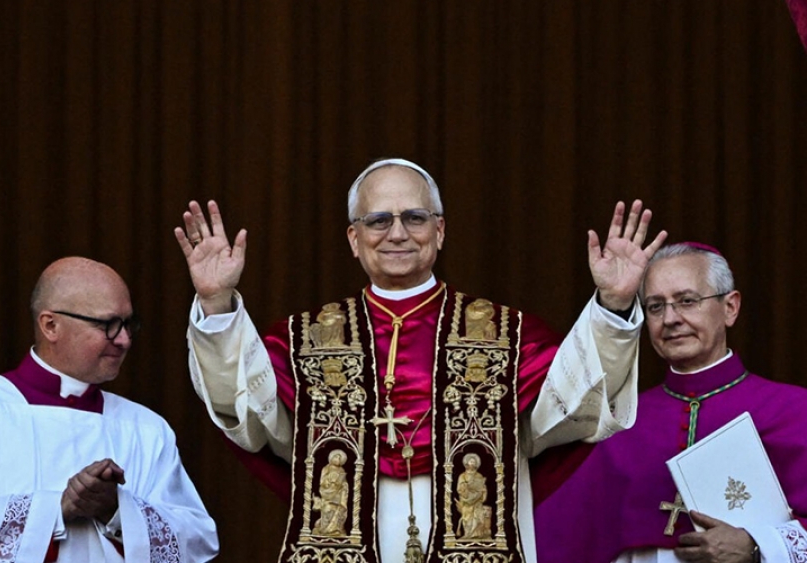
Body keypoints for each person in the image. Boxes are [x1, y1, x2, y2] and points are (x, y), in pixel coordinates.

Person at [174, 158, 666, 563]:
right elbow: (248, 412)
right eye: (379, 220)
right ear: (353, 238)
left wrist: (612, 306)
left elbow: (574, 398)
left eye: (414, 217)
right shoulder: (306, 340)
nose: (397, 233)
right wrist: (217, 305)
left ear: (440, 229)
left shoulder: (505, 335)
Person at [0, 257, 220, 563]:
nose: (124, 340)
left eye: (127, 324)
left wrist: (117, 511)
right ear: (51, 325)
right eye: (108, 324)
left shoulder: (146, 429)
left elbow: (197, 543)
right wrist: (56, 509)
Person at [533, 242, 807, 563]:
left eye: (687, 301)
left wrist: (757, 545)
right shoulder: (620, 421)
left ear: (730, 307)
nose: (671, 318)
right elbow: (558, 536)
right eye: (655, 307)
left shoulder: (794, 410)